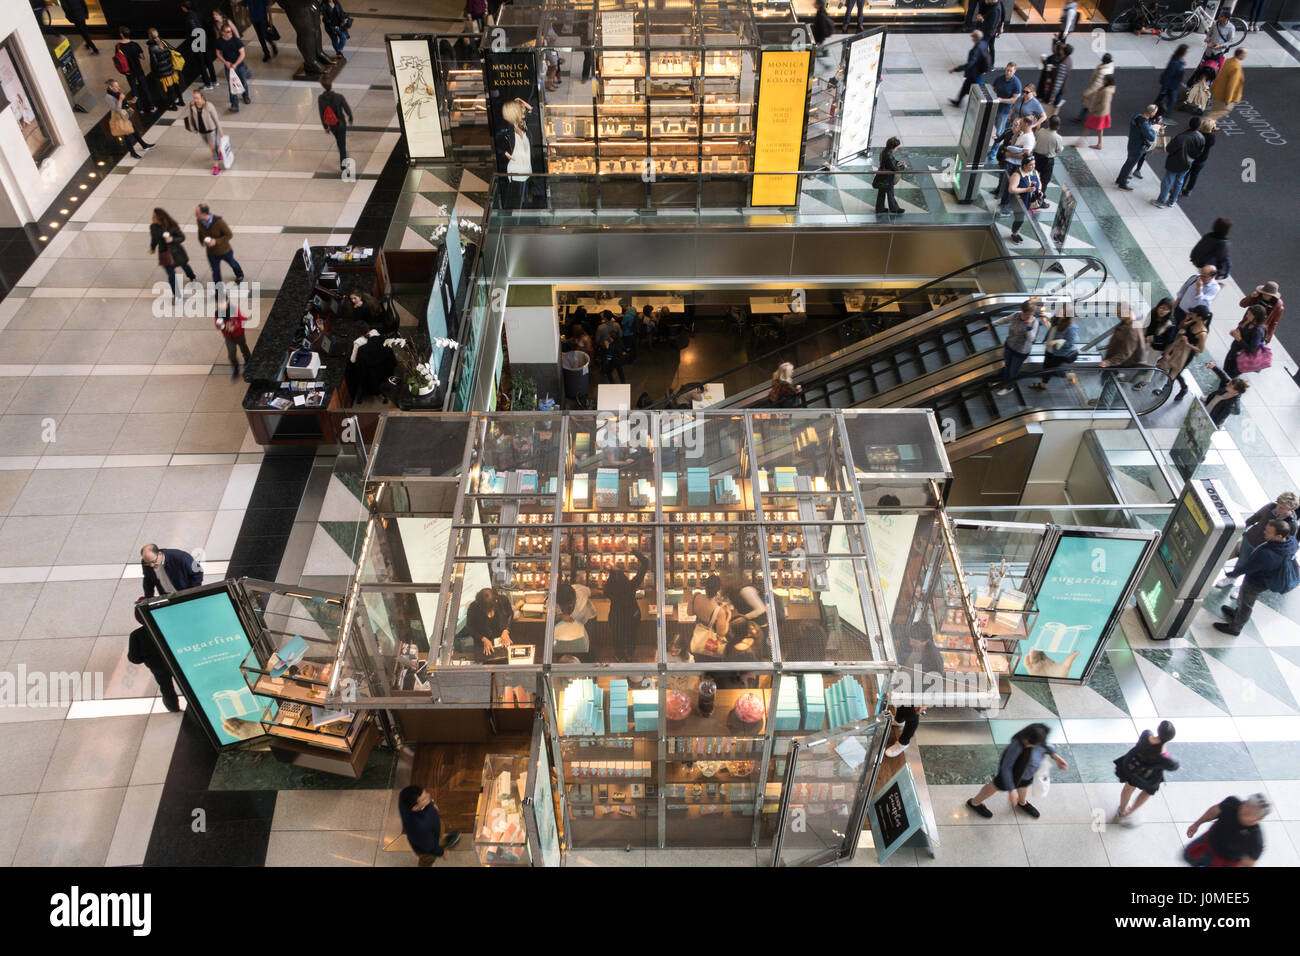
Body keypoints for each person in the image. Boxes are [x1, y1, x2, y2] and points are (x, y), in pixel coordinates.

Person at [966, 723, 1069, 819]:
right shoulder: (1016, 745)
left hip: (1027, 774)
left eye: (1032, 745)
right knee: (995, 786)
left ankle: (1022, 803)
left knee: (1024, 786)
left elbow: (1045, 745)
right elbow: (1006, 767)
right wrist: (1011, 791)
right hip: (1012, 774)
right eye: (1028, 743)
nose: (1028, 746)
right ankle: (974, 803)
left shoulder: (1039, 737)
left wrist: (1056, 757)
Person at [1215, 493, 1299, 593]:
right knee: (1242, 561)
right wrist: (1243, 528)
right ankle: (1231, 579)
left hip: (1265, 549)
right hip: (1251, 539)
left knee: (1254, 568)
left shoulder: (1292, 524)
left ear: (1290, 509)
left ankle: (1242, 588)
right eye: (1278, 505)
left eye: (1282, 508)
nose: (1278, 509)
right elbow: (1255, 517)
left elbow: (1289, 541)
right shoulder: (1270, 507)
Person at [1112, 720, 1179, 826]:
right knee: (1148, 792)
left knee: (1128, 788)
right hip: (1148, 778)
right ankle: (1129, 813)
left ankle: (1122, 810)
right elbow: (1174, 765)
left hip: (1132, 769)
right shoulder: (1165, 757)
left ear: (1158, 730)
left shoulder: (1146, 735)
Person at [1184, 794, 1269, 867]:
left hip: (1223, 863)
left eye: (1248, 813)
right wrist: (1197, 824)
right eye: (1245, 805)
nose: (1242, 811)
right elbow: (1214, 811)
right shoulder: (1232, 803)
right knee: (1187, 857)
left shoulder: (1255, 840)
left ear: (1258, 818)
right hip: (1206, 843)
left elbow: (1248, 863)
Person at [128, 613, 180, 712]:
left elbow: (134, 658)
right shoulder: (170, 628)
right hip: (177, 662)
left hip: (157, 666)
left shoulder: (136, 635)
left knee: (166, 687)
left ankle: (173, 708)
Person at [1156, 306, 1210, 401]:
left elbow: (1200, 349)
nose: (1192, 314)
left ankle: (1167, 391)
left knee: (1175, 372)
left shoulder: (1203, 333)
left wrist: (1188, 344)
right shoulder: (1193, 322)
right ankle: (1183, 388)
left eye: (1194, 313)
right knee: (1173, 369)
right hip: (1178, 348)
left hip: (1186, 354)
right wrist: (1186, 319)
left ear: (1200, 317)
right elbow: (1180, 326)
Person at [397, 785, 461, 865]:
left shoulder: (404, 796)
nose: (429, 796)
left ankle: (442, 842)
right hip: (426, 851)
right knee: (426, 861)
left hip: (432, 828)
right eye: (424, 799)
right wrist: (442, 853)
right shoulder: (419, 828)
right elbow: (429, 847)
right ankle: (443, 844)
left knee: (437, 835)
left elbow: (426, 799)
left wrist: (432, 804)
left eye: (426, 793)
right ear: (415, 807)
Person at [604, 553, 648, 661]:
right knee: (631, 636)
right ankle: (630, 655)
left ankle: (619, 656)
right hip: (632, 615)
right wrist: (632, 550)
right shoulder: (631, 585)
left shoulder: (609, 589)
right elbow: (645, 563)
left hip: (616, 616)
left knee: (617, 637)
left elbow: (606, 589)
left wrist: (611, 569)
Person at [149, 207, 196, 299]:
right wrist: (152, 247)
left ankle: (191, 276)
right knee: (171, 275)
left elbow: (182, 237)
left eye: (154, 217)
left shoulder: (172, 226)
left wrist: (172, 239)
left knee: (185, 265)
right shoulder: (153, 227)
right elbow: (154, 238)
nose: (152, 219)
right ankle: (177, 295)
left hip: (177, 252)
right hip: (165, 254)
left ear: (160, 218)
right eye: (152, 217)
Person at [496, 98, 534, 210]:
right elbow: (498, 147)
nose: (524, 111)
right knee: (518, 203)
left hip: (527, 169)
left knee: (525, 200)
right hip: (516, 171)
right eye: (520, 109)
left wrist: (522, 101)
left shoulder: (522, 126)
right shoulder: (506, 130)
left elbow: (532, 111)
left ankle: (523, 216)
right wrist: (506, 154)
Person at [996, 300, 1040, 395]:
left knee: (1013, 370)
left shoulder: (1034, 323)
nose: (1029, 316)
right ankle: (1004, 382)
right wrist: (993, 324)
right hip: (1009, 345)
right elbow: (1005, 319)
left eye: (1031, 314)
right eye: (1027, 313)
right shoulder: (1016, 315)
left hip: (1021, 351)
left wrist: (1029, 327)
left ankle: (1009, 387)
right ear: (1023, 310)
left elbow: (1031, 339)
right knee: (1007, 365)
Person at [104, 80, 154, 160]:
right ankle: (132, 152)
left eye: (118, 86)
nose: (118, 88)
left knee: (134, 130)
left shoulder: (116, 93)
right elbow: (117, 109)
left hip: (125, 114)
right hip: (120, 116)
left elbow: (123, 103)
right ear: (111, 87)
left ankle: (144, 145)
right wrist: (120, 99)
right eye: (116, 86)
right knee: (127, 135)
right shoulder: (108, 97)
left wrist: (130, 101)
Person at [196, 204, 245, 285]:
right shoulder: (199, 221)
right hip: (211, 252)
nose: (195, 215)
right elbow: (200, 232)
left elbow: (229, 235)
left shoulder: (219, 223)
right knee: (215, 272)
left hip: (224, 250)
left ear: (204, 214)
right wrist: (202, 241)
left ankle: (239, 274)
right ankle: (219, 291)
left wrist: (215, 241)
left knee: (233, 263)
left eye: (197, 213)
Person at [1134, 297, 1176, 389]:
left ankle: (1145, 381)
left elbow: (1167, 339)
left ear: (1169, 311)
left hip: (1158, 346)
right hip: (1148, 339)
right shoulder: (1153, 312)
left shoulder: (1170, 323)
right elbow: (1146, 325)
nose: (1162, 311)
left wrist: (1150, 339)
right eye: (1161, 307)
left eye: (1166, 309)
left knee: (1151, 362)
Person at [1115, 105, 1160, 190]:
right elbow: (1151, 137)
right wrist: (1154, 130)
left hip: (1132, 143)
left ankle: (1120, 179)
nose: (1155, 114)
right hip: (1138, 147)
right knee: (1130, 165)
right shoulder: (1144, 124)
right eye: (1155, 112)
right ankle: (1122, 183)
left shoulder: (1137, 116)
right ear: (1152, 112)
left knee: (1128, 163)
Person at [114, 27, 156, 114]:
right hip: (138, 70)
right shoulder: (135, 45)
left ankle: (140, 109)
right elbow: (142, 57)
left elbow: (117, 58)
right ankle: (152, 107)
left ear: (122, 34)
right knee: (145, 88)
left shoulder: (118, 46)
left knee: (134, 90)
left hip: (128, 72)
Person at [1098, 303, 1146, 377]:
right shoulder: (1126, 323)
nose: (1118, 315)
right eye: (1117, 313)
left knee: (1108, 381)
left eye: (1120, 313)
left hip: (1118, 364)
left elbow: (1126, 352)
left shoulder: (1132, 328)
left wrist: (1109, 362)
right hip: (1114, 362)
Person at [1033, 309, 1078, 388]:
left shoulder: (1071, 327)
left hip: (1058, 353)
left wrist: (1056, 341)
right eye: (1060, 311)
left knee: (1049, 368)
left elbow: (1069, 343)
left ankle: (1045, 383)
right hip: (1050, 349)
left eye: (1063, 314)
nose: (1060, 314)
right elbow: (1052, 326)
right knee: (1047, 367)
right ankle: (1044, 383)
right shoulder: (1056, 318)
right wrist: (1046, 315)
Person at [185, 91, 225, 176]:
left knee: (213, 149)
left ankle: (216, 167)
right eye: (194, 98)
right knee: (211, 147)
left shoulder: (209, 106)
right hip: (201, 131)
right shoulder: (192, 106)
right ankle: (219, 152)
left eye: (197, 98)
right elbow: (190, 117)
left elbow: (216, 119)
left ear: (202, 97)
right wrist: (193, 128)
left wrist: (221, 133)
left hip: (211, 130)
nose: (196, 100)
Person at [467, 587, 513, 661]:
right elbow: (470, 627)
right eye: (486, 610)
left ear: (496, 601)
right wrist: (483, 638)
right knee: (485, 663)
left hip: (501, 639)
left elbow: (510, 614)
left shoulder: (503, 601)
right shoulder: (473, 607)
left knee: (505, 660)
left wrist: (506, 630)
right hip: (483, 641)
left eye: (491, 609)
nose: (489, 614)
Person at [318, 75, 354, 170]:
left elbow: (322, 114)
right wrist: (350, 117)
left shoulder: (321, 99)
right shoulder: (339, 97)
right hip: (341, 124)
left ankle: (342, 153)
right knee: (342, 145)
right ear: (331, 84)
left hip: (332, 125)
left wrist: (325, 127)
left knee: (339, 140)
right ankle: (343, 166)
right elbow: (347, 109)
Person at [1004, 155, 1041, 245]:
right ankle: (1015, 233)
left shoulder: (1034, 172)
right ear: (1024, 165)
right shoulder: (1017, 175)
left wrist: (1039, 190)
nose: (1033, 166)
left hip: (1030, 200)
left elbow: (1040, 183)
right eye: (1030, 165)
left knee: (1022, 217)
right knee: (1019, 218)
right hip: (1019, 201)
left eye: (1034, 164)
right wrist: (1026, 190)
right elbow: (1011, 189)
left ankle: (1016, 232)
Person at [216, 20, 251, 113]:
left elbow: (242, 54)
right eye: (227, 31)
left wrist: (235, 64)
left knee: (243, 81)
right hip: (228, 67)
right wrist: (225, 62)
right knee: (232, 85)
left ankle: (245, 96)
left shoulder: (236, 40)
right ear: (222, 33)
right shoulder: (220, 41)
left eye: (230, 31)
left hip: (239, 66)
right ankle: (234, 104)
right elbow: (218, 53)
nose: (230, 33)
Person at [180, 1, 218, 89]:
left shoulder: (189, 18)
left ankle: (207, 83)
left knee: (201, 63)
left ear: (184, 8)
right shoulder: (197, 14)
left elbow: (193, 31)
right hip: (203, 38)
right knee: (208, 61)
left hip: (197, 41)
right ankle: (214, 80)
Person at [949, 31, 991, 108]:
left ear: (974, 38)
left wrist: (956, 69)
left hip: (974, 73)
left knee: (973, 90)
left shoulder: (976, 50)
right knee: (966, 88)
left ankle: (978, 106)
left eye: (972, 36)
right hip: (979, 72)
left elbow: (970, 64)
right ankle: (958, 102)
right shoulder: (984, 43)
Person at [215, 295, 253, 380]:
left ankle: (247, 360)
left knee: (243, 347)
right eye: (219, 303)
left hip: (239, 335)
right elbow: (217, 326)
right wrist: (220, 326)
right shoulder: (218, 314)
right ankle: (236, 368)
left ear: (227, 301)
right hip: (228, 338)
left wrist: (234, 327)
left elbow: (243, 320)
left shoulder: (235, 310)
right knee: (231, 354)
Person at [146, 30, 185, 111]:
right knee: (176, 85)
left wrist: (155, 72)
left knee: (169, 88)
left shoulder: (152, 48)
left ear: (150, 36)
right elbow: (173, 49)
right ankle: (181, 101)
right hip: (171, 68)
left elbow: (154, 62)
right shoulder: (163, 42)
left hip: (163, 71)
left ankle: (174, 106)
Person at [1201, 363, 1250, 428]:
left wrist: (1213, 426)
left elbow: (1237, 411)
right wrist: (1214, 367)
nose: (1227, 384)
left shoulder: (1232, 403)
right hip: (1207, 407)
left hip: (1212, 417)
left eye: (1230, 386)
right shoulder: (1230, 385)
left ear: (1235, 392)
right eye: (1230, 382)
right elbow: (1223, 375)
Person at [1223, 304, 1266, 377]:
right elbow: (1239, 331)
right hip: (1234, 352)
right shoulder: (1248, 322)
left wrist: (1239, 339)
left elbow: (1252, 350)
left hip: (1240, 359)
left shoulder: (1258, 331)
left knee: (1229, 376)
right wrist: (1234, 333)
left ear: (1256, 318)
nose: (1247, 315)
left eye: (1250, 314)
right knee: (1224, 371)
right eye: (1248, 313)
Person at [1180, 118, 1218, 199]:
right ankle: (1188, 190)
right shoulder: (1212, 137)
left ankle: (1179, 189)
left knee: (1185, 173)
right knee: (1194, 175)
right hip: (1202, 159)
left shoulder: (1197, 134)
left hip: (1192, 157)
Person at [1209, 48, 1247, 124]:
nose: (1246, 56)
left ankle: (1210, 125)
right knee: (1224, 110)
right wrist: (1228, 99)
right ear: (1240, 55)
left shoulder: (1229, 60)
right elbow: (1232, 85)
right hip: (1224, 95)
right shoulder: (1236, 68)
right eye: (1245, 54)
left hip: (1218, 91)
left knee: (1214, 111)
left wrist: (1213, 87)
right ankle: (1205, 126)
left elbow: (1220, 75)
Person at [553, 583, 590, 658]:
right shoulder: (555, 599)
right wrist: (560, 616)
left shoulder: (580, 605)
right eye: (563, 607)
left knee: (581, 649)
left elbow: (588, 591)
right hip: (569, 623)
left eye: (568, 607)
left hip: (587, 619)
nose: (565, 610)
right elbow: (549, 618)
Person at [988, 62, 1023, 142]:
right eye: (1007, 70)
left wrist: (1001, 100)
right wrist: (994, 93)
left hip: (1004, 110)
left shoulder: (1016, 84)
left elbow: (1014, 99)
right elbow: (993, 88)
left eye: (1010, 71)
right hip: (995, 107)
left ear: (1014, 71)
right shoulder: (999, 77)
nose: (1008, 72)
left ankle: (994, 150)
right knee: (991, 125)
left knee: (999, 131)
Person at [1076, 53, 1114, 124]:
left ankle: (1087, 120)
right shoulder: (1110, 67)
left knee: (1092, 106)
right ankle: (1082, 118)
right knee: (1089, 106)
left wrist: (1087, 93)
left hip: (1095, 92)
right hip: (1099, 91)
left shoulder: (1103, 71)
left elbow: (1096, 84)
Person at [1037, 40, 1072, 118]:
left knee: (1050, 104)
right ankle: (1050, 116)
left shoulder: (1063, 64)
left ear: (1064, 52)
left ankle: (1047, 117)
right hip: (1059, 88)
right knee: (1053, 104)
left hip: (1056, 89)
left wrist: (1053, 95)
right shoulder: (1068, 60)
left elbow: (1058, 82)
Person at [1032, 114, 1065, 193]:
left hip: (1036, 157)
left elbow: (1036, 139)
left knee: (1033, 176)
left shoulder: (1041, 131)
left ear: (1049, 123)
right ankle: (1040, 197)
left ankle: (1030, 192)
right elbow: (1059, 150)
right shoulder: (1058, 138)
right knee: (1044, 180)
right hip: (1047, 160)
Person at [1081, 74, 1115, 150]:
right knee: (1099, 128)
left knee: (1088, 125)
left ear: (1107, 81)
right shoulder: (1106, 89)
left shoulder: (1106, 91)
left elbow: (1103, 104)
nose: (1103, 80)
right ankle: (1099, 144)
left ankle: (1080, 142)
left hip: (1099, 113)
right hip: (1102, 112)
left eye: (1104, 79)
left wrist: (1093, 109)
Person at [873, 137, 906, 215]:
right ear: (892, 147)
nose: (897, 149)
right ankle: (894, 209)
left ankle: (880, 208)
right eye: (896, 147)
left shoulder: (886, 151)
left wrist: (898, 162)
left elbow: (892, 161)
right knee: (890, 192)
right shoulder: (888, 154)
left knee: (882, 192)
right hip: (887, 177)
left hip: (882, 176)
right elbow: (894, 168)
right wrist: (903, 167)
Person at [1155, 44, 1189, 116]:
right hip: (1171, 85)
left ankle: (1154, 110)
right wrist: (1164, 88)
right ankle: (1166, 115)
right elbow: (1168, 76)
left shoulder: (1179, 60)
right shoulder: (1175, 63)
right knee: (1172, 100)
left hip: (1173, 84)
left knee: (1161, 99)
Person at [595, 311, 625, 383]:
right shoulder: (616, 325)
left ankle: (606, 372)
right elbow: (621, 335)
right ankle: (622, 381)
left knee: (605, 360)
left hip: (604, 347)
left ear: (605, 317)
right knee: (618, 365)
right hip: (616, 348)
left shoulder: (600, 327)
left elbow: (597, 339)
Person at [978, 0, 1005, 66]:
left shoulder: (995, 10)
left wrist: (982, 20)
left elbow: (991, 25)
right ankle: (990, 63)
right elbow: (981, 10)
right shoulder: (992, 4)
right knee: (990, 46)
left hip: (988, 31)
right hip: (991, 31)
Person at [620, 299, 638, 363]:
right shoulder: (633, 309)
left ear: (624, 306)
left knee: (628, 347)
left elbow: (623, 324)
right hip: (633, 331)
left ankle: (629, 360)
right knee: (633, 346)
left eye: (621, 306)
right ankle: (634, 358)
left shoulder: (627, 315)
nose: (621, 307)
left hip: (627, 333)